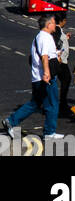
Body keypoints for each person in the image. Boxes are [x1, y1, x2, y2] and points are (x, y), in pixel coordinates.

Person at [2, 13, 63, 143]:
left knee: (36, 103)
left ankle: (12, 121)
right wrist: (47, 73)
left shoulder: (42, 37)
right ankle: (49, 133)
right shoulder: (45, 37)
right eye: (53, 22)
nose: (55, 25)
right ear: (48, 25)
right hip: (45, 77)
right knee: (52, 103)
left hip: (40, 77)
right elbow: (44, 56)